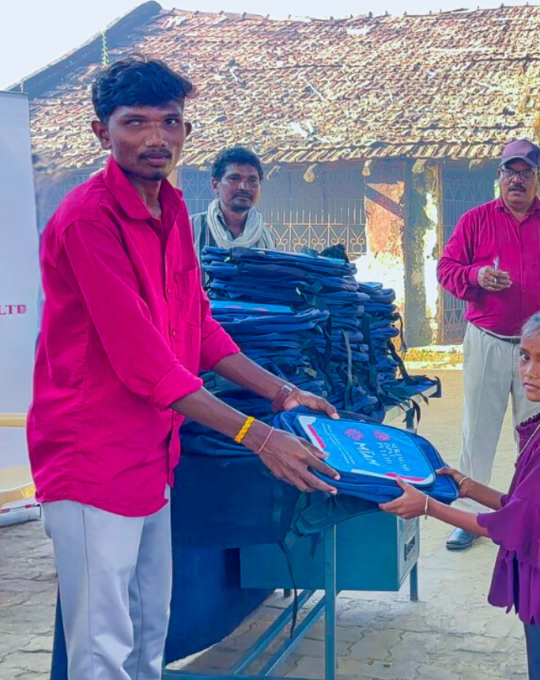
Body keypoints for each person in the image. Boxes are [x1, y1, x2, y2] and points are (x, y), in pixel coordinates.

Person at [29, 56, 343, 680]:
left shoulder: (172, 211)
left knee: (150, 626)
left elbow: (197, 329)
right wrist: (259, 437)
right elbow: (147, 364)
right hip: (92, 453)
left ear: (185, 131)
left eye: (169, 122)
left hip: (153, 447)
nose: (155, 138)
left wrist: (283, 393)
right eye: (134, 122)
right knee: (101, 642)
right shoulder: (88, 219)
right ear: (101, 131)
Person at [380, 307, 540, 679]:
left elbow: (514, 522)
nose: (529, 371)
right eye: (524, 356)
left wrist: (428, 507)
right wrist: (468, 487)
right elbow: (525, 506)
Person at [436, 139, 540, 551]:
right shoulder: (475, 221)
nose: (517, 179)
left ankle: (531, 514)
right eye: (509, 172)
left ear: (538, 179)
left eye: (525, 172)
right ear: (499, 177)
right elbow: (447, 269)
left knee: (538, 435)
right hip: (488, 341)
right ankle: (472, 518)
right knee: (478, 431)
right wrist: (476, 277)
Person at [190, 145, 275, 262]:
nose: (244, 187)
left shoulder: (266, 237)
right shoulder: (189, 230)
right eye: (234, 178)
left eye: (252, 180)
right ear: (215, 185)